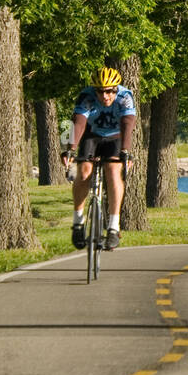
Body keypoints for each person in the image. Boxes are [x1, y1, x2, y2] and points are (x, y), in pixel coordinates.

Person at [60, 66, 136, 251]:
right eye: (101, 91)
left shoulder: (125, 96)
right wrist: (70, 149)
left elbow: (128, 123)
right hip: (91, 136)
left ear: (116, 89)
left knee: (113, 171)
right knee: (84, 172)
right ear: (95, 90)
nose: (105, 96)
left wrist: (125, 151)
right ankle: (78, 222)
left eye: (110, 91)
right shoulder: (86, 96)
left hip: (115, 137)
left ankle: (113, 227)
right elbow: (78, 121)